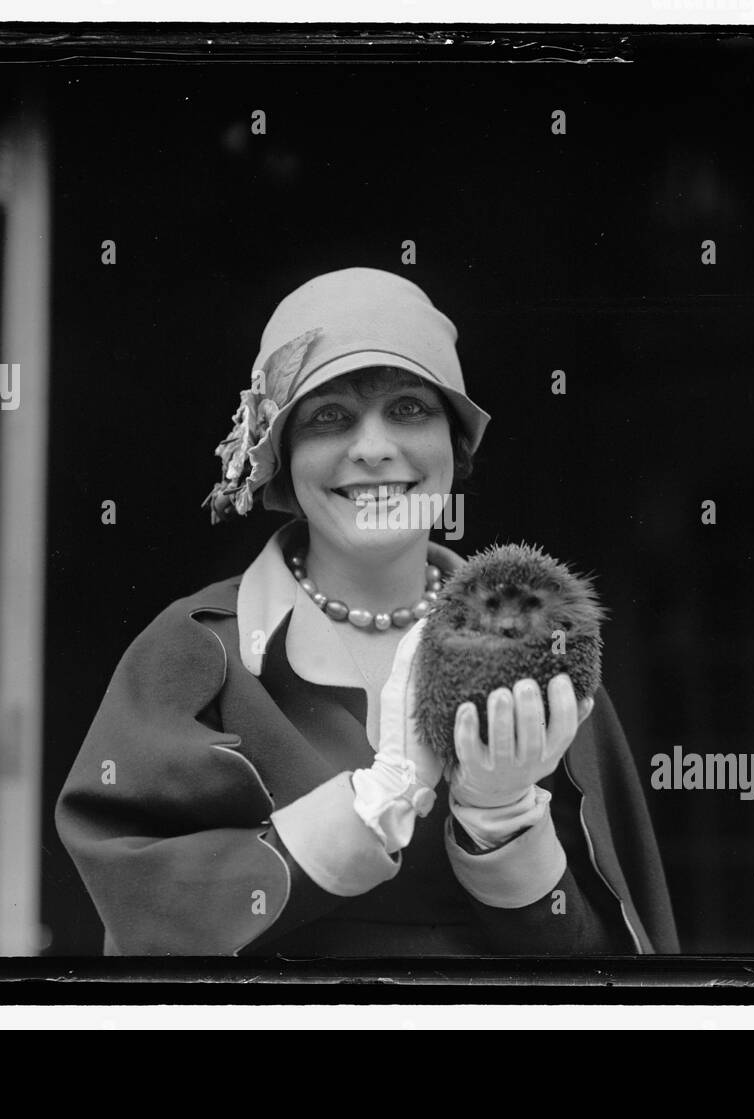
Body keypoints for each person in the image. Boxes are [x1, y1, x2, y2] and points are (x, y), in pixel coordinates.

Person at [55, 267, 679, 957]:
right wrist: (371, 805)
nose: (374, 447)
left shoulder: (543, 650)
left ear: (455, 445)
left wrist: (501, 825)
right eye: (330, 416)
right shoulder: (194, 650)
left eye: (409, 407)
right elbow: (147, 932)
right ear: (281, 459)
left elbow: (609, 978)